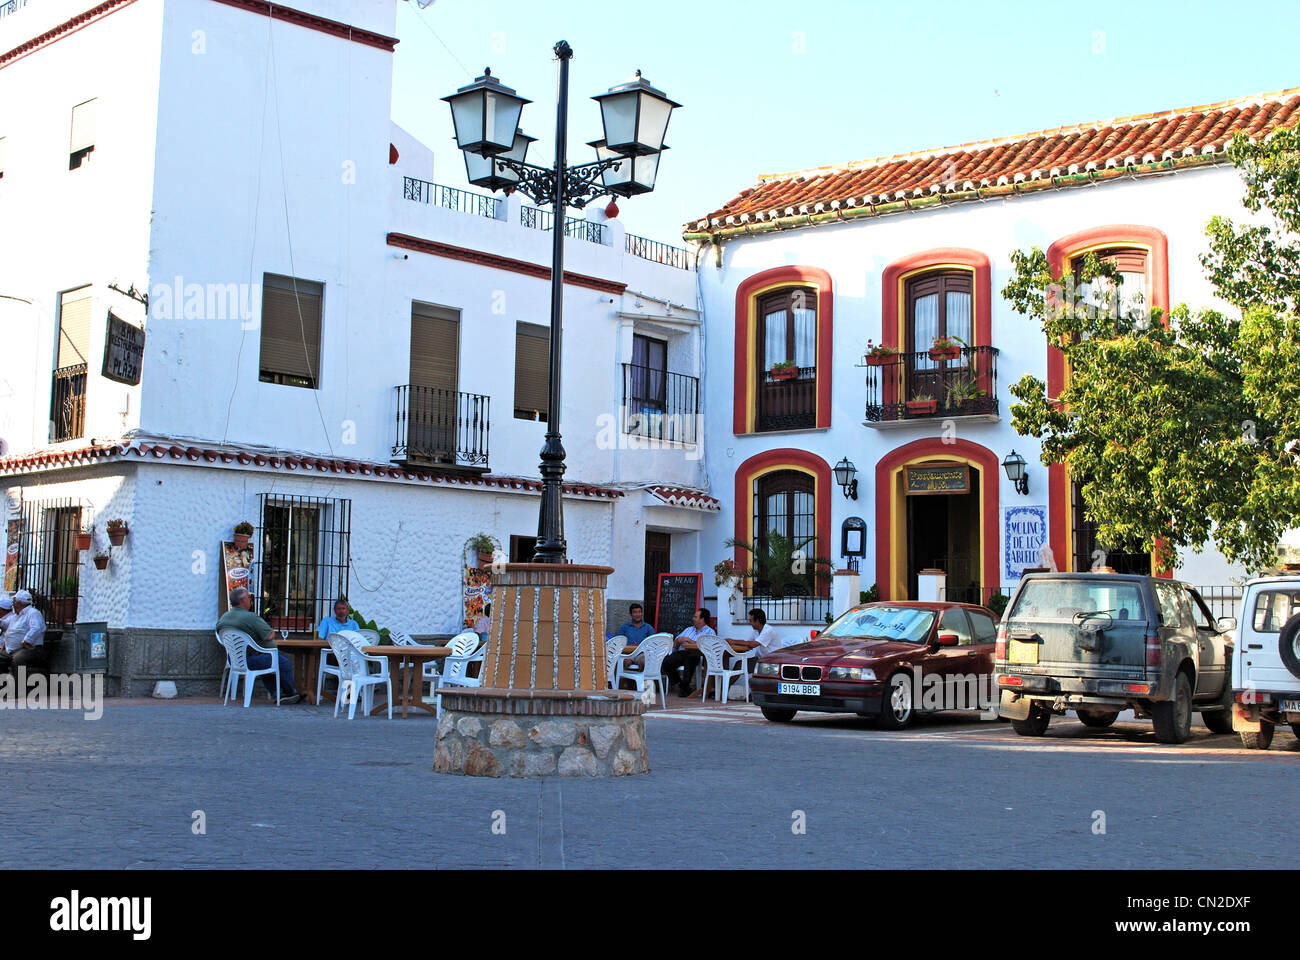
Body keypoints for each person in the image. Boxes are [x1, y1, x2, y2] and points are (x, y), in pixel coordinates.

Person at [216, 586, 302, 703]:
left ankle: (277, 693)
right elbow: (269, 635)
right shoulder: (250, 617)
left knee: (265, 661)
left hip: (234, 660)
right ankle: (290, 693)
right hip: (251, 660)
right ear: (243, 601)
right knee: (282, 663)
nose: (251, 600)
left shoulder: (224, 617)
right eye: (249, 598)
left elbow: (219, 631)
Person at [660, 607, 715, 698]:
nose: (693, 619)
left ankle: (685, 685)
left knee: (691, 658)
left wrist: (689, 640)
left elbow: (707, 647)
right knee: (667, 661)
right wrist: (677, 642)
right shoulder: (689, 629)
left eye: (695, 617)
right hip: (682, 652)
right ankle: (681, 685)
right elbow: (676, 642)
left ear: (702, 619)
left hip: (698, 655)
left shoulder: (710, 632)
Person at [0, 589, 47, 676]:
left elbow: (36, 628)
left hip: (31, 649)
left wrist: (26, 641)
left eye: (14, 601)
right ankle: (3, 685)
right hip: (12, 650)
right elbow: (5, 624)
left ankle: (20, 687)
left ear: (20, 603)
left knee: (17, 659)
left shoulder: (33, 613)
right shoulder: (16, 616)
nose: (12, 604)